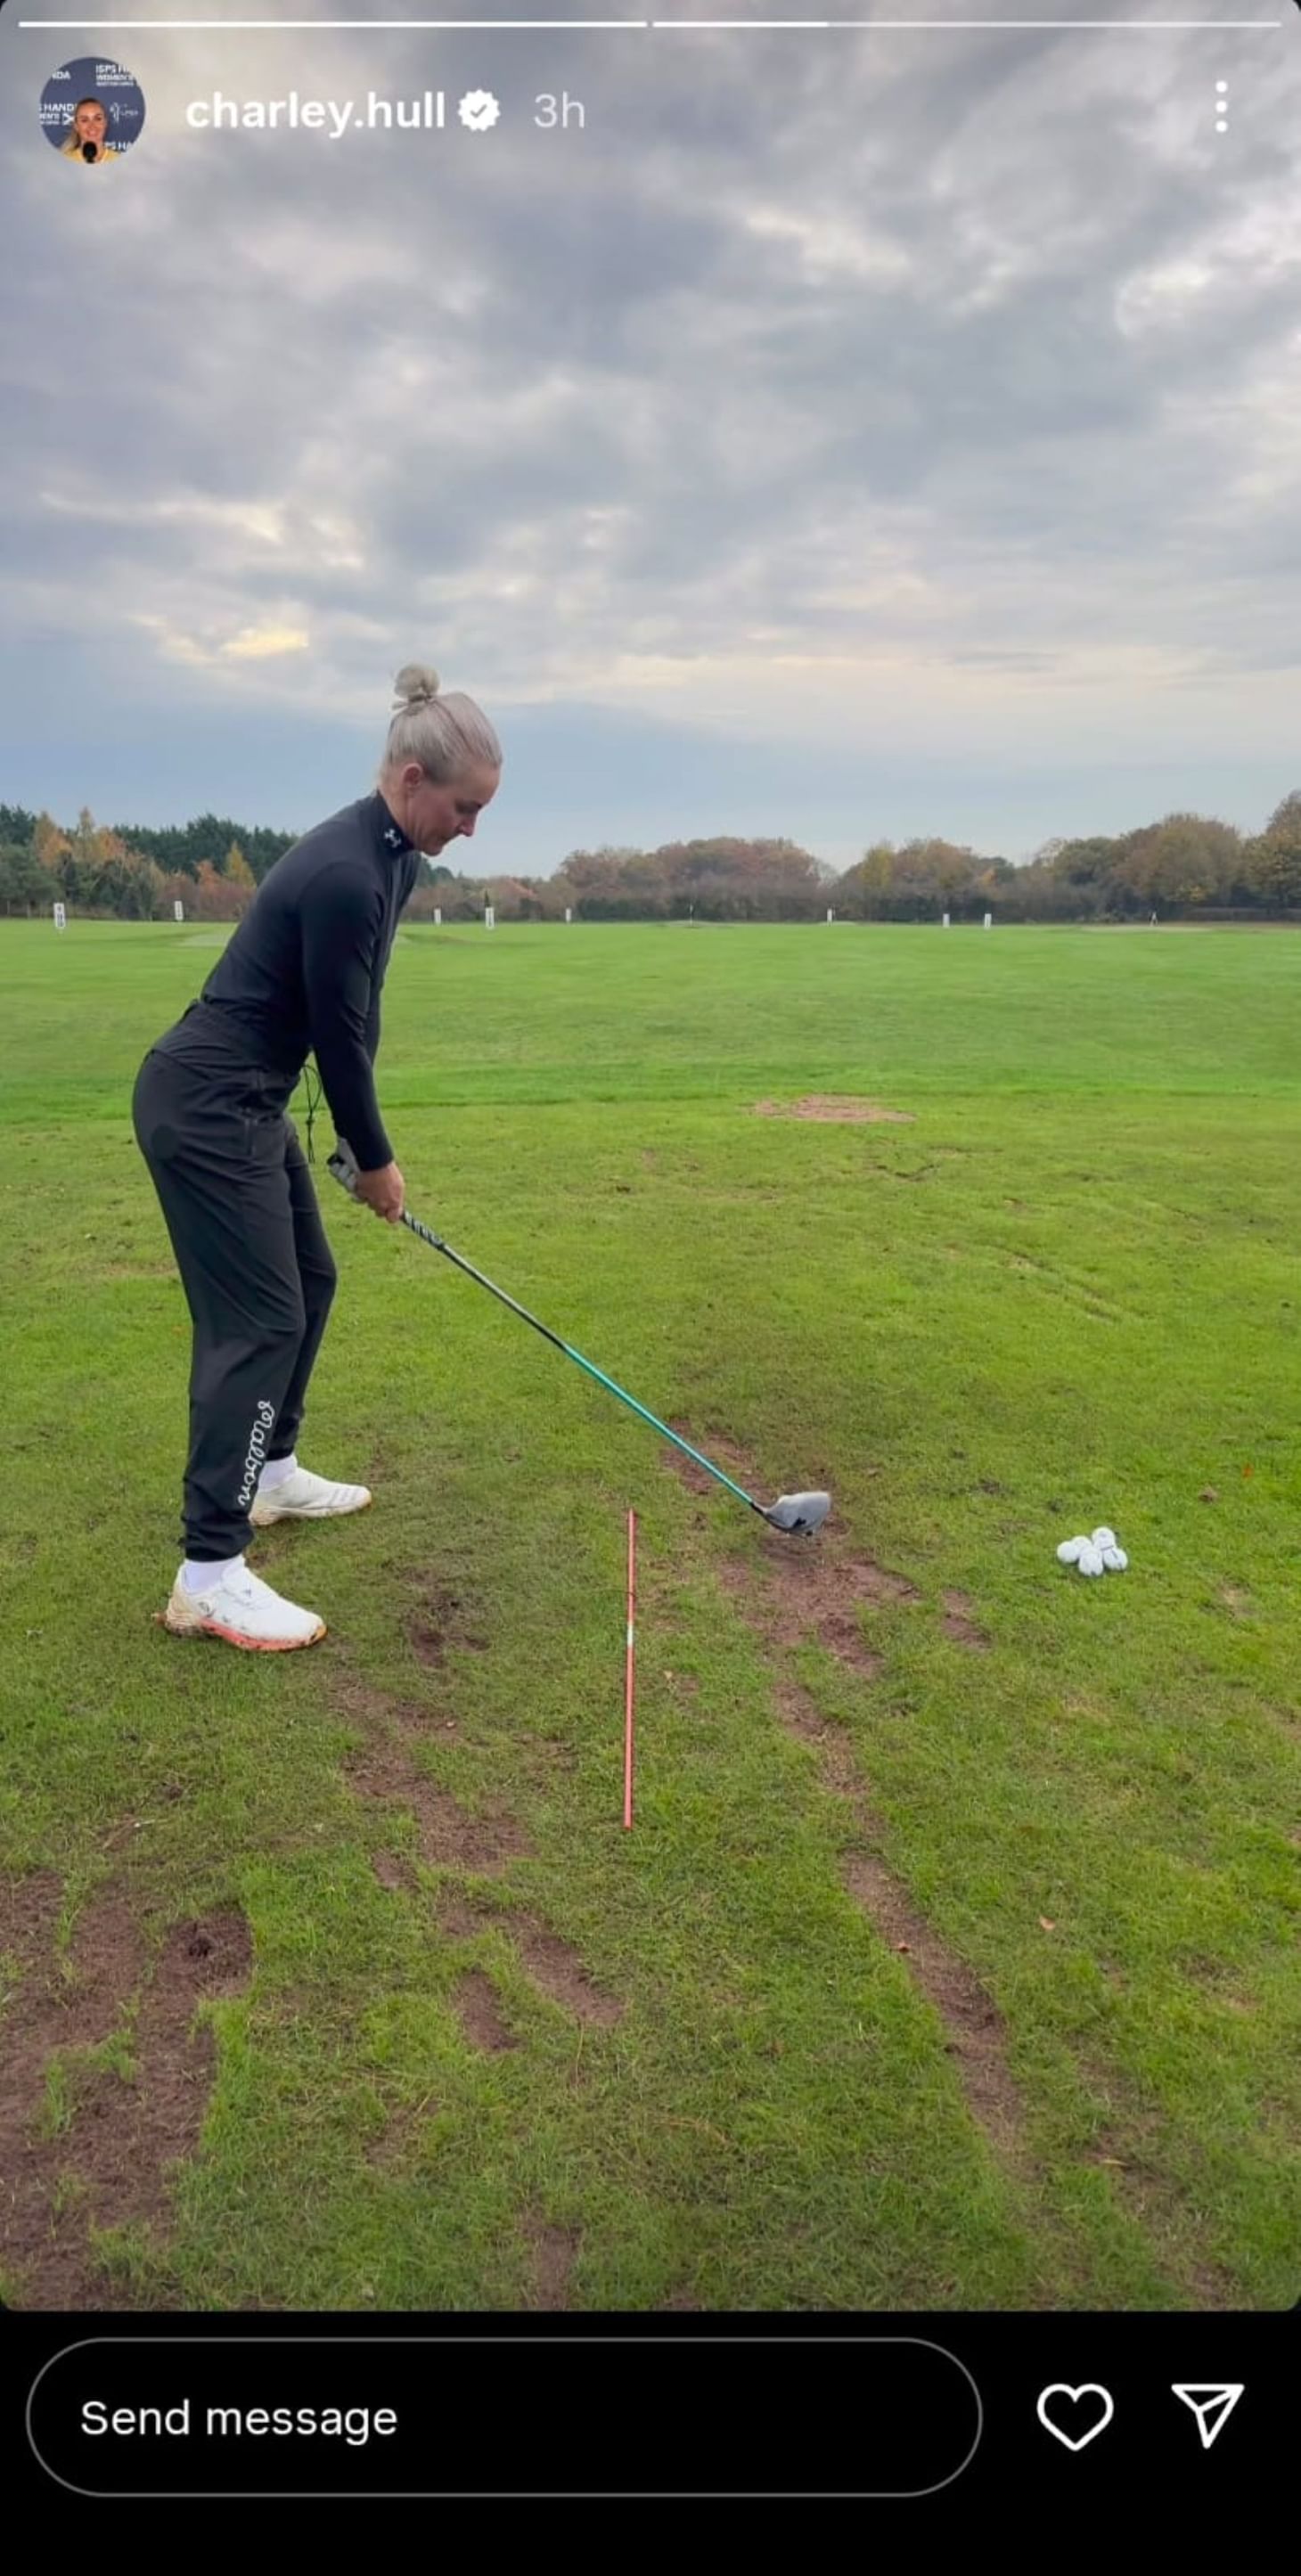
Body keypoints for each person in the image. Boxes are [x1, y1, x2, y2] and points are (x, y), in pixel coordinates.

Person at [132, 663, 502, 1650]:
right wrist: (374, 1158)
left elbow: (356, 1014)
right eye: (464, 808)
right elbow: (337, 1042)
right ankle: (208, 1571)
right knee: (256, 1321)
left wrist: (352, 1140)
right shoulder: (346, 869)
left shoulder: (394, 859)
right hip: (207, 1105)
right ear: (413, 778)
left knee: (311, 1279)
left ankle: (270, 1473)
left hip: (246, 1101)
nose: (471, 828)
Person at [61, 99, 116, 164]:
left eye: (98, 119)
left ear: (105, 123)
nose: (92, 126)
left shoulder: (119, 161)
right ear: (76, 126)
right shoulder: (64, 161)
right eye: (84, 120)